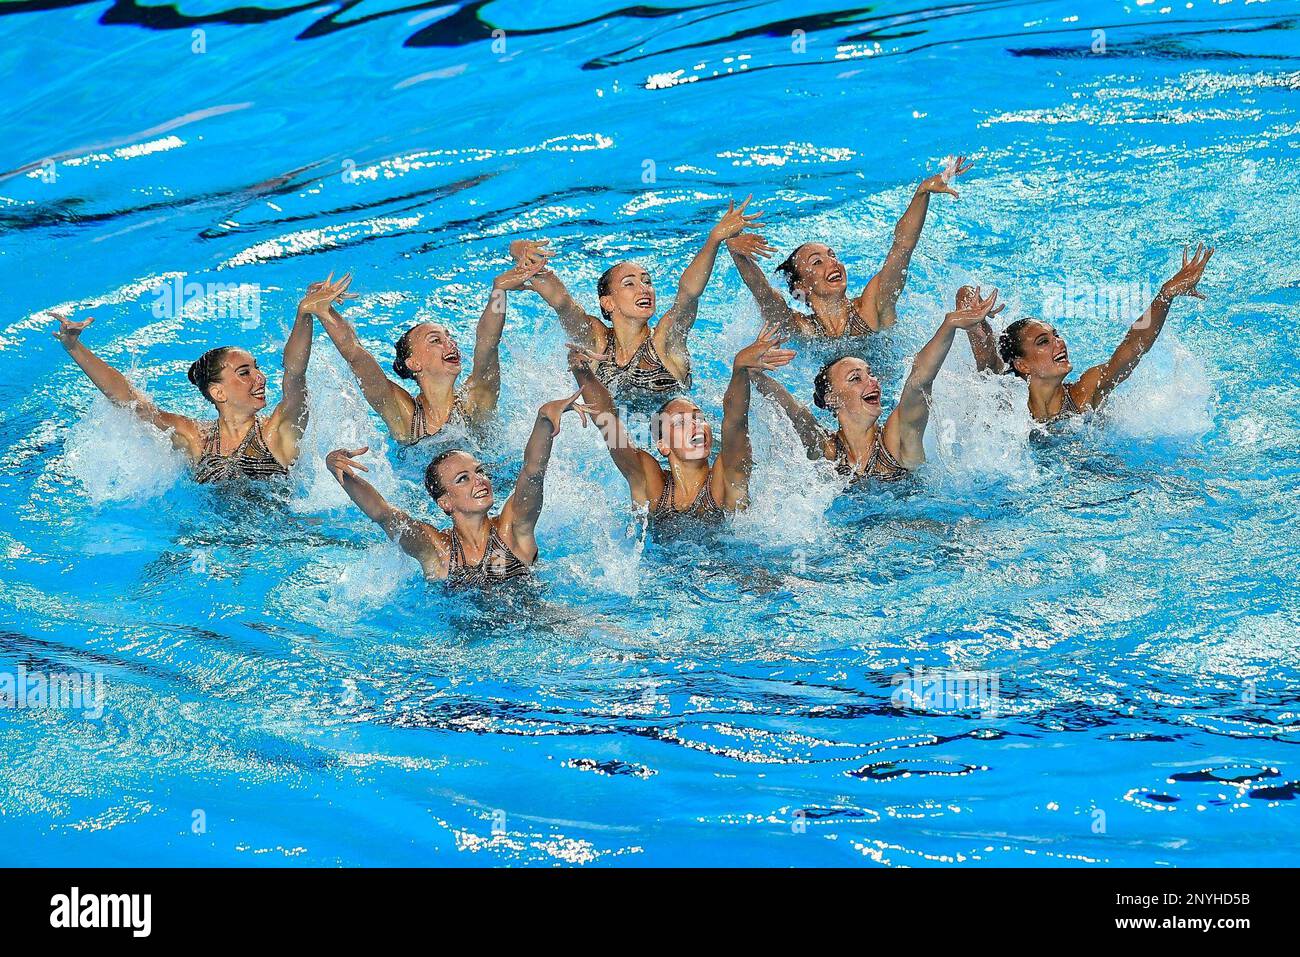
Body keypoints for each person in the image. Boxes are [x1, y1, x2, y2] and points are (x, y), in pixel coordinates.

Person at [50, 274, 349, 484]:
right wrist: (74, 347)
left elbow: (295, 374)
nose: (260, 378)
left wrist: (304, 314)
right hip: (208, 545)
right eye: (244, 373)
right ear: (218, 393)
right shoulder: (196, 439)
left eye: (256, 368)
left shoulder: (278, 432)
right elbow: (130, 401)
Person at [324, 392, 592, 586]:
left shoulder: (513, 529)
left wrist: (544, 418)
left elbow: (533, 472)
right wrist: (341, 473)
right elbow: (384, 514)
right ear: (445, 502)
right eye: (463, 479)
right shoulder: (438, 550)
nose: (479, 481)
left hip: (535, 631)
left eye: (480, 472)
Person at [507, 197, 763, 396]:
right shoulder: (596, 339)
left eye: (647, 282)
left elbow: (688, 294)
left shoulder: (665, 340)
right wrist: (519, 250)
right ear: (608, 302)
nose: (644, 289)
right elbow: (561, 302)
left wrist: (713, 240)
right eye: (629, 284)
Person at [751, 288, 1003, 484]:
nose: (873, 381)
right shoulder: (827, 451)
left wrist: (949, 325)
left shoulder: (896, 440)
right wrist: (751, 372)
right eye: (855, 378)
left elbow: (918, 383)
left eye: (870, 374)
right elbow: (793, 411)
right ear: (832, 399)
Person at [568, 324, 795, 532]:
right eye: (680, 422)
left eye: (699, 418)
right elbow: (609, 424)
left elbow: (735, 423)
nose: (695, 424)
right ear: (663, 444)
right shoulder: (653, 488)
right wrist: (583, 372)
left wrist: (740, 370)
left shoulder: (725, 478)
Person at [726, 157, 974, 339]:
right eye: (817, 262)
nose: (832, 262)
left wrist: (922, 193)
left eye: (832, 256)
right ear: (801, 287)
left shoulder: (872, 307)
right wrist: (734, 247)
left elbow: (902, 248)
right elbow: (762, 292)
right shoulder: (801, 329)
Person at [970, 244, 1214, 423]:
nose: (1059, 343)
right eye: (1044, 342)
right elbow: (967, 301)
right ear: (1022, 365)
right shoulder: (1005, 400)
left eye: (1056, 335)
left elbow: (1133, 346)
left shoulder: (1084, 394)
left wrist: (1165, 294)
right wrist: (973, 302)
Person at [310, 258, 543, 445]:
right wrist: (323, 310)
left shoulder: (476, 400)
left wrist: (499, 291)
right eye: (435, 340)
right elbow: (355, 354)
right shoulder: (404, 415)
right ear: (414, 363)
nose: (450, 344)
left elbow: (488, 343)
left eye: (449, 337)